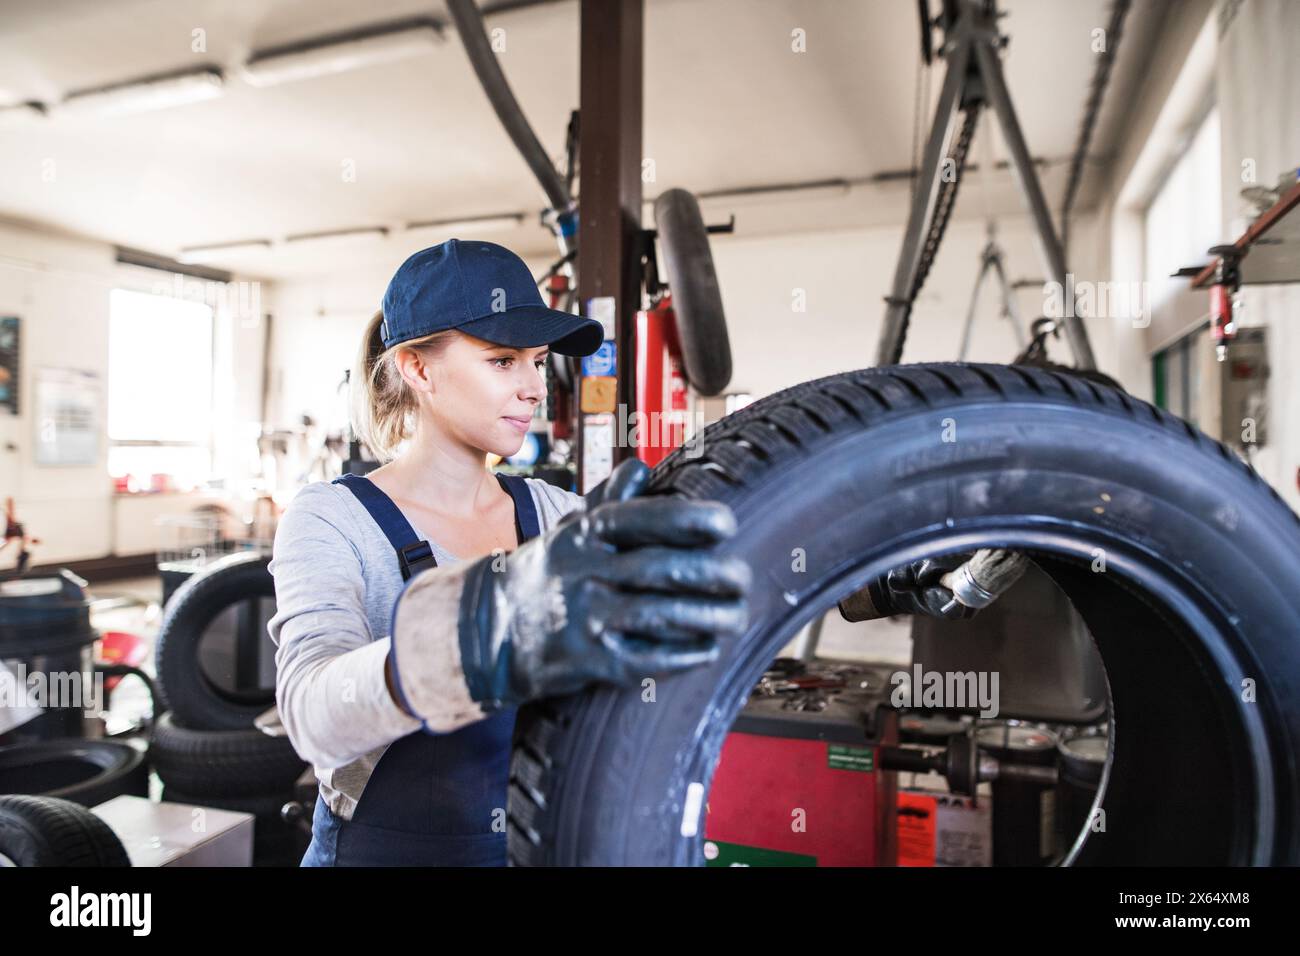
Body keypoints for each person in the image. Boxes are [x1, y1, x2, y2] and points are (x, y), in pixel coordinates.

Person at [267, 239, 752, 866]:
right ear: (417, 368)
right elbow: (311, 713)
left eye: (538, 361)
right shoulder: (333, 518)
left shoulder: (557, 516)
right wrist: (475, 637)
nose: (533, 389)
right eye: (502, 362)